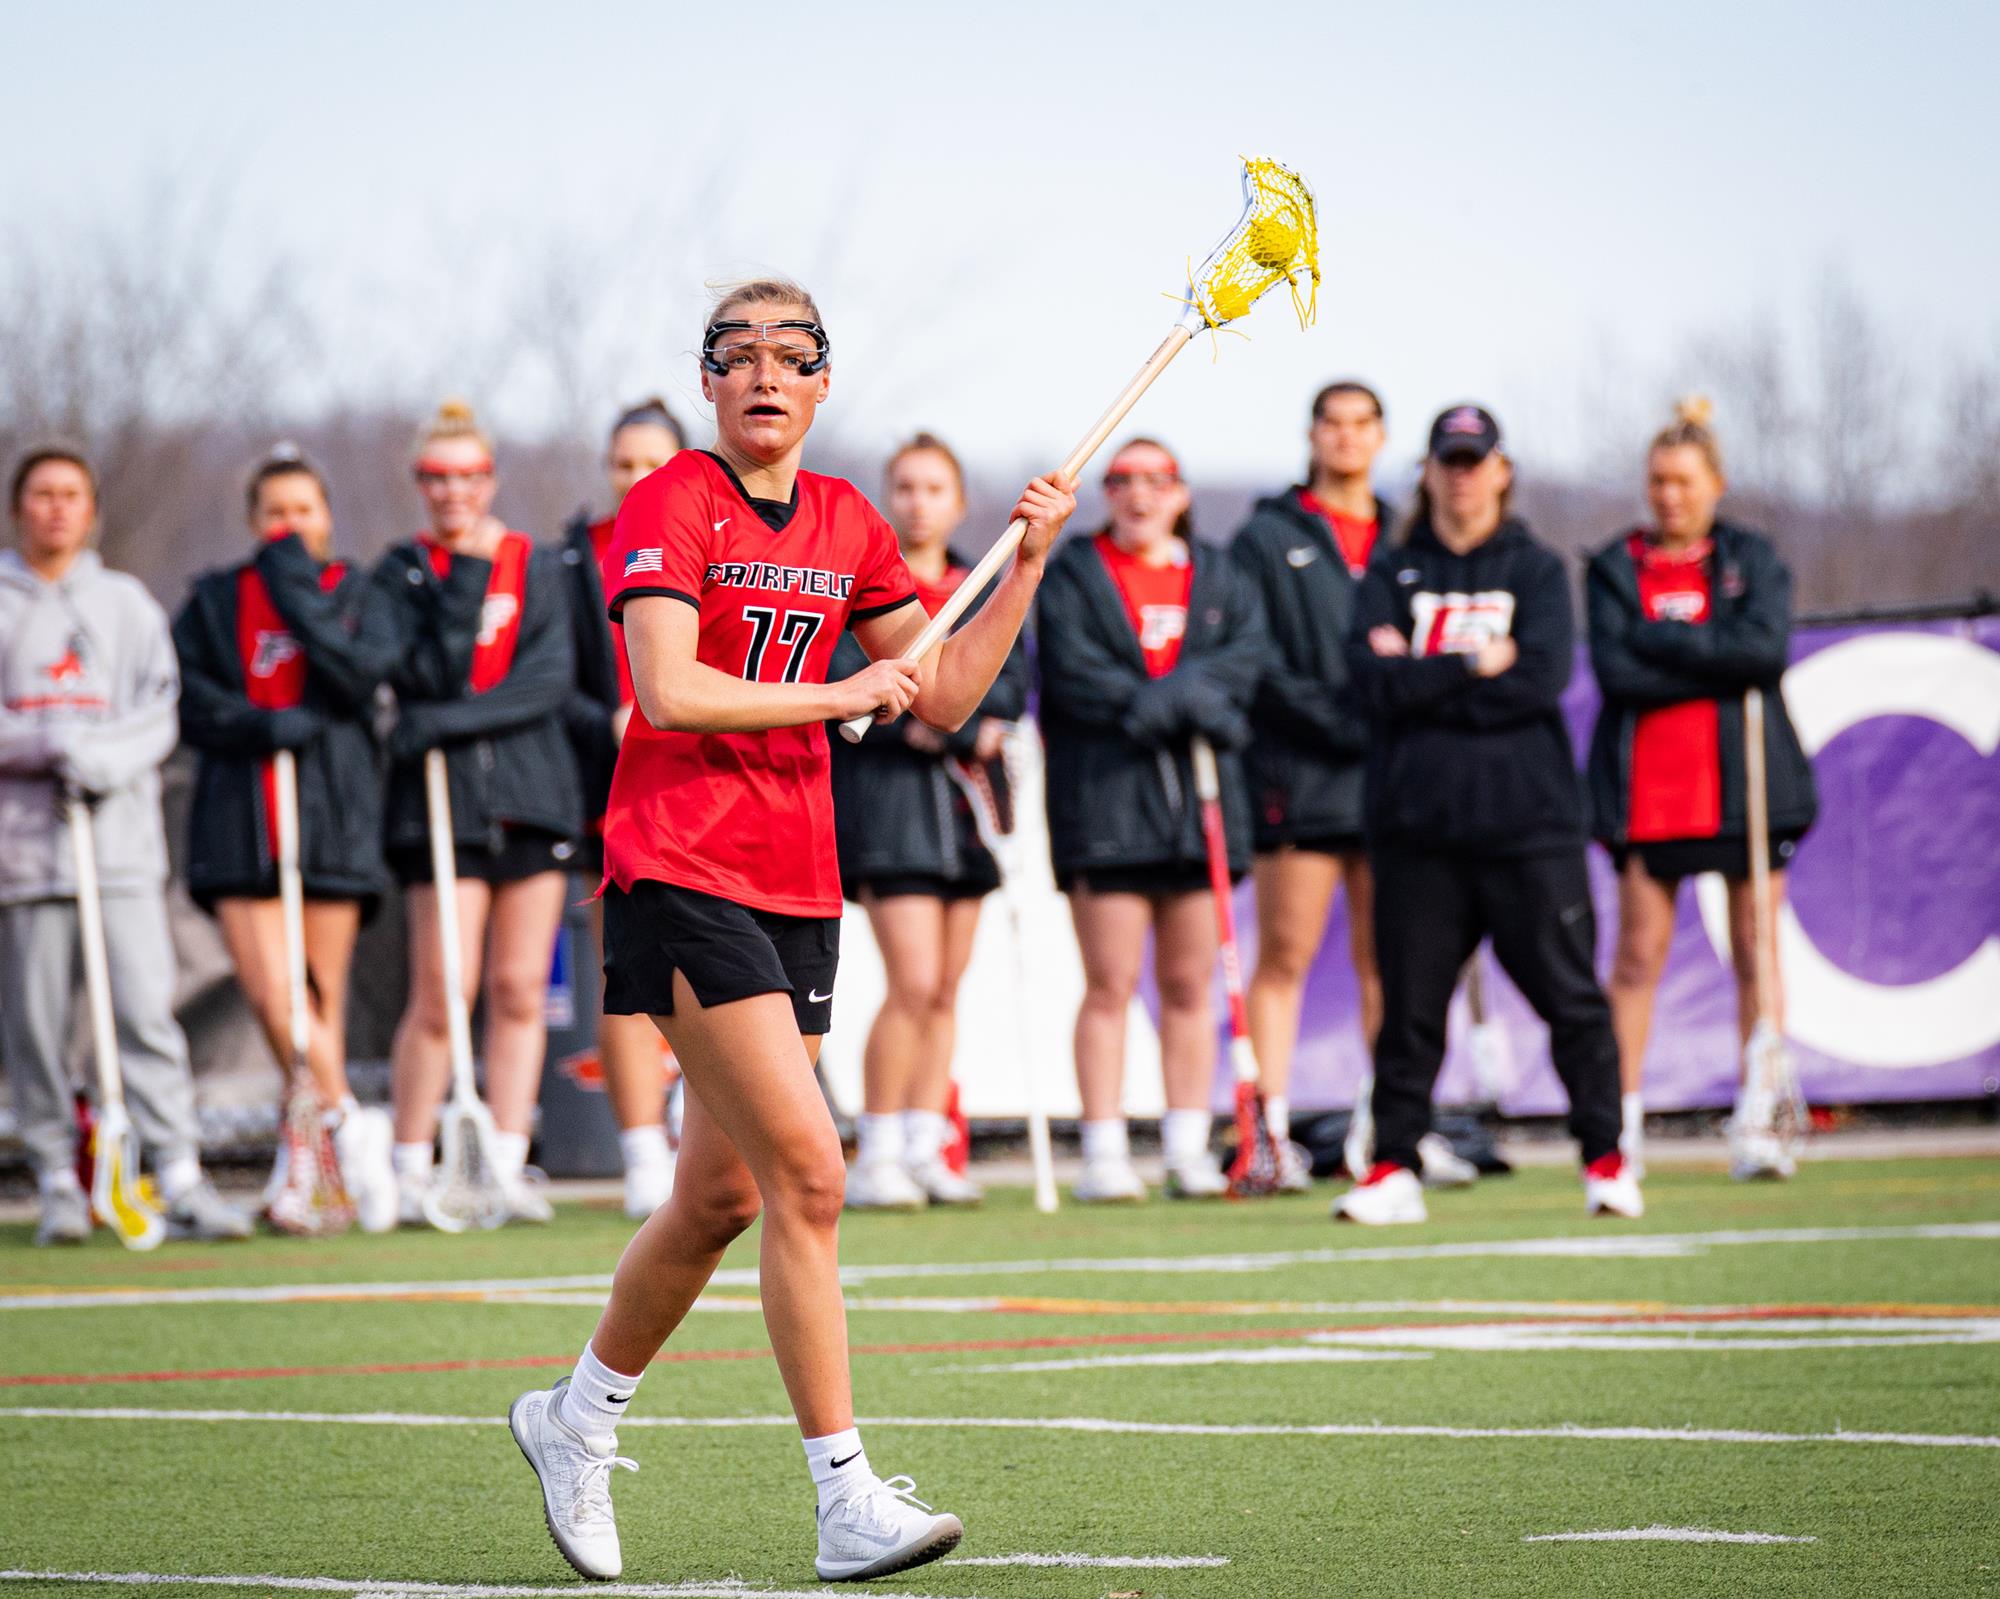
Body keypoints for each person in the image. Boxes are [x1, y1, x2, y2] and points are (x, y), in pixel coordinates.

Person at [507, 279, 1074, 1583]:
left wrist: (1026, 563)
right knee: (812, 1171)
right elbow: (668, 684)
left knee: (718, 1194)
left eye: (793, 356)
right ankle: (844, 1493)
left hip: (795, 881)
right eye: (739, 355)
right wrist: (835, 691)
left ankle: (573, 1417)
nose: (766, 374)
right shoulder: (669, 504)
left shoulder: (849, 519)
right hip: (680, 865)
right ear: (708, 380)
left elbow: (936, 693)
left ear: (825, 383)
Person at [1339, 405, 1639, 1225]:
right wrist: (1473, 663)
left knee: (1570, 997)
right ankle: (1393, 1164)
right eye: (1449, 459)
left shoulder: (1536, 569)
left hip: (1526, 827)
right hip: (1417, 831)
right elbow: (1370, 685)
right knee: (1409, 1008)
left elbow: (1537, 680)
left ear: (1501, 470)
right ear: (1429, 470)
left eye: (1476, 459)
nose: (1462, 473)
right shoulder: (1391, 570)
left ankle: (1606, 1157)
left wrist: (1424, 673)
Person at [0, 447, 252, 1244]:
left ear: (91, 508)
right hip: (25, 857)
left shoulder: (127, 604)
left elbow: (159, 710)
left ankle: (178, 1172)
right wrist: (50, 744)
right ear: (19, 507)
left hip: (118, 852)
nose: (57, 509)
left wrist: (98, 758)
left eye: (71, 494)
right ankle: (55, 1178)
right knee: (35, 1027)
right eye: (42, 494)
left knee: (146, 1012)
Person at [1586, 398, 1817, 1180]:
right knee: (1636, 957)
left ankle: (1761, 1112)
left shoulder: (1751, 557)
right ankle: (1620, 1127)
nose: (1669, 496)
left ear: (1715, 482)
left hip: (1746, 787)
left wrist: (1667, 640)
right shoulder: (1618, 566)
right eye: (1657, 481)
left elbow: (1761, 652)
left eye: (1683, 481)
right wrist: (1710, 648)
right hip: (1649, 793)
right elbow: (1618, 669)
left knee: (1757, 947)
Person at [1035, 438, 1269, 1204]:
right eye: (1123, 480)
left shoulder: (1220, 570)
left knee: (1188, 984)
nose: (1139, 495)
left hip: (1201, 806)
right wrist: (1175, 702)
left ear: (1181, 491)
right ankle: (1104, 1148)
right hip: (1105, 805)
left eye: (1155, 481)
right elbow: (1074, 674)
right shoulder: (1074, 571)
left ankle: (1187, 1146)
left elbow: (1243, 659)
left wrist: (1173, 698)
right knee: (1110, 981)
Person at [364, 401, 580, 1225]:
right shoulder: (402, 572)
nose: (453, 492)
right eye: (437, 477)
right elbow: (406, 668)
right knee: (441, 987)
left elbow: (545, 680)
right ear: (420, 483)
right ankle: (411, 1164)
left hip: (531, 797)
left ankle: (507, 1156)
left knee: (520, 988)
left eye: (468, 476)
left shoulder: (538, 565)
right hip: (440, 805)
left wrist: (445, 720)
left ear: (490, 478)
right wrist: (452, 588)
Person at [172, 448, 398, 1230]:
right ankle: (348, 1123)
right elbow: (192, 701)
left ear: (327, 516)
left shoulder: (357, 592)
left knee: (317, 1000)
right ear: (252, 522)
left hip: (332, 816)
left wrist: (295, 587)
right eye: (275, 514)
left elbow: (359, 676)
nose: (289, 527)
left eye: (304, 511)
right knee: (277, 999)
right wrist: (263, 722)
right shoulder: (213, 598)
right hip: (242, 823)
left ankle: (299, 1168)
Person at [829, 432, 1029, 1210]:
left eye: (933, 487)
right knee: (910, 981)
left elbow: (1009, 676)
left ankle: (924, 1141)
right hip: (888, 806)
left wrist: (975, 721)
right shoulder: (867, 581)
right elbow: (843, 683)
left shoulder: (979, 579)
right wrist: (918, 724)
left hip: (963, 809)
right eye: (904, 487)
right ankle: (877, 1144)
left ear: (958, 499)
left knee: (945, 986)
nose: (919, 501)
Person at [1229, 381, 1392, 1191]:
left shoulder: (1409, 530)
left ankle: (1387, 1128)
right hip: (1301, 772)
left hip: (1395, 774)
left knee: (1387, 957)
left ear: (1383, 437)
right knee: (1286, 952)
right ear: (1312, 433)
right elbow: (1252, 655)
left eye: (1363, 423)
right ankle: (1272, 1132)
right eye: (1333, 422)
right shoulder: (1267, 534)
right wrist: (1341, 721)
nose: (1347, 438)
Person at [559, 397, 688, 1218]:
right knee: (629, 976)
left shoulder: (716, 541)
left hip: (700, 790)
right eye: (623, 464)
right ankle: (643, 1154)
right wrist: (606, 715)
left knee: (712, 979)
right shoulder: (573, 560)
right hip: (610, 796)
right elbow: (553, 677)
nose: (637, 479)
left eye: (653, 464)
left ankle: (696, 1128)